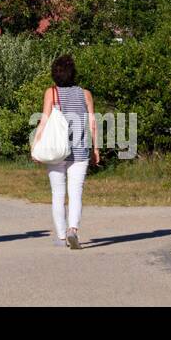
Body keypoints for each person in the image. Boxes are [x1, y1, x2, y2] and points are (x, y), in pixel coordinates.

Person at [35, 54, 100, 249]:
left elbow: (44, 120)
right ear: (73, 74)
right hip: (79, 151)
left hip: (56, 150)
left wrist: (35, 146)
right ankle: (73, 229)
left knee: (57, 193)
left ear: (54, 74)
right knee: (75, 193)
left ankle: (62, 237)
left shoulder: (51, 93)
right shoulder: (85, 94)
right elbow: (92, 123)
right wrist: (96, 148)